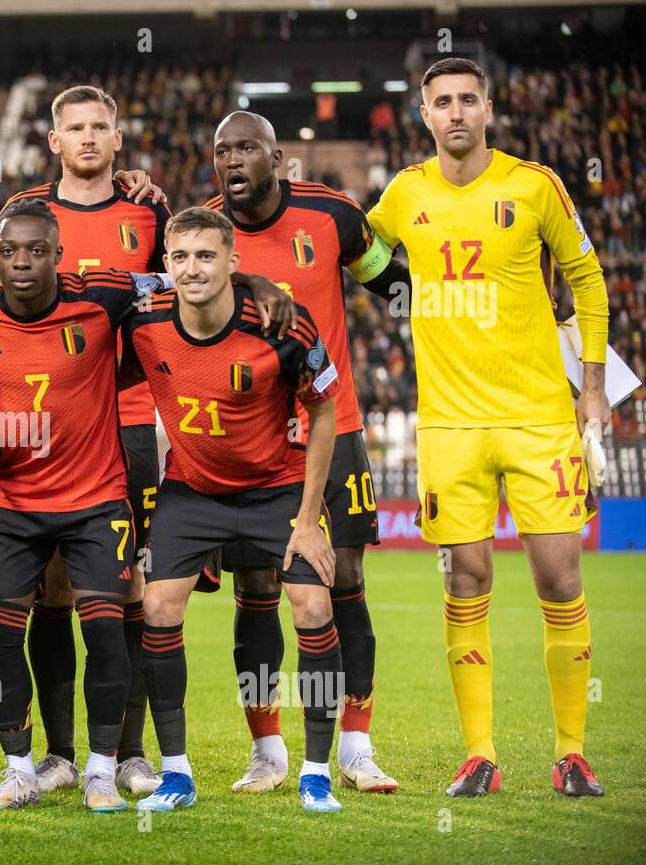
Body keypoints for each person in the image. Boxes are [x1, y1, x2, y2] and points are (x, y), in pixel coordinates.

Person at [0, 86, 292, 796]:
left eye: (101, 126)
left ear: (118, 138)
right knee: (51, 589)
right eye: (76, 128)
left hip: (131, 418)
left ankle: (126, 751)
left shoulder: (147, 209)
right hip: (53, 424)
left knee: (127, 584)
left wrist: (250, 277)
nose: (89, 138)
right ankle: (60, 755)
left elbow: (194, 269)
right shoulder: (25, 216)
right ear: (54, 139)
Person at [366, 57, 610, 797]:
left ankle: (571, 751)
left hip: (539, 419)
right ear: (425, 114)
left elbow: (589, 278)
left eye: (469, 98)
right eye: (443, 101)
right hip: (449, 426)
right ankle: (480, 754)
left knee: (559, 577)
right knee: (464, 580)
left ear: (490, 108)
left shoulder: (534, 185)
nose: (457, 112)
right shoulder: (405, 192)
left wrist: (592, 391)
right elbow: (357, 248)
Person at [202, 110, 409, 794]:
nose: (233, 161)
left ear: (278, 158)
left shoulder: (334, 216)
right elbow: (153, 297)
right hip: (247, 440)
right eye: (222, 151)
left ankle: (355, 744)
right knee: (256, 586)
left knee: (343, 578)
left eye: (247, 149)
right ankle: (266, 749)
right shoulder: (206, 234)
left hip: (333, 425)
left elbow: (394, 284)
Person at [121, 206, 345, 813]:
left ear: (232, 264)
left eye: (207, 256)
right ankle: (175, 774)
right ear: (165, 265)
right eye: (181, 257)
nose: (193, 269)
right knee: (158, 606)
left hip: (276, 489)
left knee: (314, 602)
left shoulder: (281, 326)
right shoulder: (141, 322)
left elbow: (324, 411)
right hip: (192, 490)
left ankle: (317, 772)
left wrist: (307, 518)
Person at [0, 199, 159, 812]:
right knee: (2, 641)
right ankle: (18, 771)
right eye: (9, 251)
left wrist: (249, 281)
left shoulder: (104, 295)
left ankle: (100, 769)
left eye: (37, 251)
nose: (21, 263)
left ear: (59, 257)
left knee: (106, 631)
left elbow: (188, 278)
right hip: (10, 505)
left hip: (96, 501)